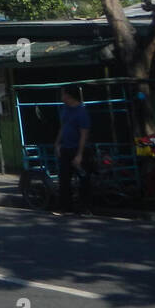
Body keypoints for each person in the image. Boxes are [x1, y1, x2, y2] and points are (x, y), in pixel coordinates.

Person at [54, 84, 93, 215]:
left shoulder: (82, 112)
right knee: (64, 179)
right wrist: (57, 143)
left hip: (78, 150)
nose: (62, 96)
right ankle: (65, 207)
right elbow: (63, 126)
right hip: (66, 148)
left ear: (69, 95)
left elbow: (84, 134)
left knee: (84, 179)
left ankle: (84, 208)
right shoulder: (64, 109)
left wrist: (79, 154)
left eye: (63, 94)